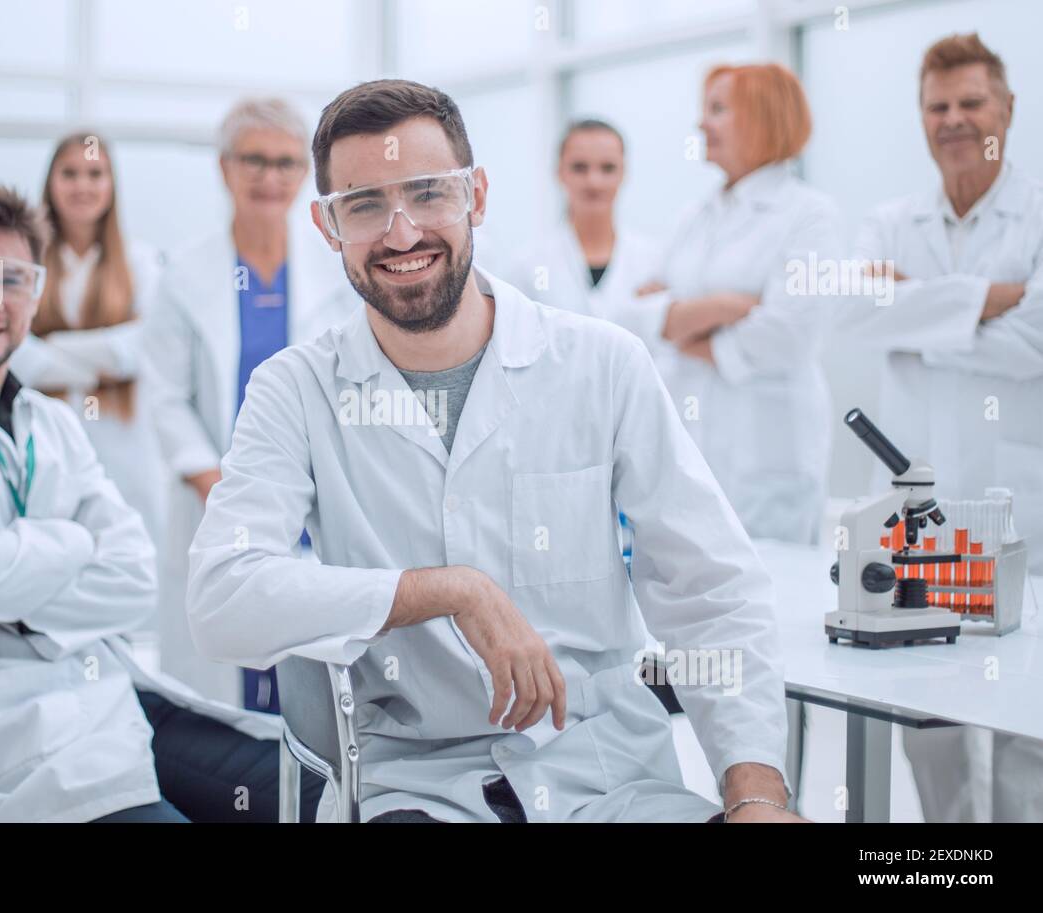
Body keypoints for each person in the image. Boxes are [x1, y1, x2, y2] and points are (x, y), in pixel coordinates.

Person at [187, 79, 801, 823]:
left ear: (477, 194)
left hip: (610, 781)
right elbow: (222, 597)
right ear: (328, 225)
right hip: (420, 789)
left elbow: (711, 590)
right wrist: (449, 589)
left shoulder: (601, 364)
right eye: (365, 204)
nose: (402, 232)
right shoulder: (295, 389)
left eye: (427, 192)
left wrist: (756, 793)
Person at [0, 180, 322, 822]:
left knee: (315, 796)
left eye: (11, 278)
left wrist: (17, 586)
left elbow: (134, 579)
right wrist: (75, 543)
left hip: (111, 699)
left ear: (34, 293)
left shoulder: (49, 421)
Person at [844, 33, 1043, 823]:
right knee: (925, 712)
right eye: (938, 106)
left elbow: (1037, 345)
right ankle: (952, 868)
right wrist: (991, 296)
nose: (954, 119)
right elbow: (854, 312)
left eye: (971, 102)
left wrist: (913, 305)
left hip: (1020, 501)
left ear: (1007, 110)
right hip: (913, 515)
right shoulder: (891, 220)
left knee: (1028, 711)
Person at [145, 98, 355, 711]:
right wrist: (216, 484)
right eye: (254, 160)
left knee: (312, 681)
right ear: (225, 168)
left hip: (317, 498)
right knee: (227, 692)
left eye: (287, 163)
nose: (270, 177)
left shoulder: (335, 267)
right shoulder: (184, 273)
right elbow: (164, 397)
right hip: (216, 500)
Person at [635, 63, 843, 545]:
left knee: (774, 594)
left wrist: (683, 326)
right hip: (694, 442)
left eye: (718, 110)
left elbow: (792, 333)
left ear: (764, 118)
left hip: (768, 453)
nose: (701, 124)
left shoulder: (810, 215)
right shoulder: (696, 216)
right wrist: (731, 305)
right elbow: (638, 315)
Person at [10, 131, 166, 551]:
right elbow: (14, 353)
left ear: (111, 185)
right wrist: (102, 358)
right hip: (41, 438)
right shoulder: (24, 262)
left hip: (123, 442)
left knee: (126, 557)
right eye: (70, 173)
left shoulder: (140, 261)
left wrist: (53, 346)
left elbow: (142, 348)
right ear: (51, 183)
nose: (83, 186)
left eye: (95, 174)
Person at [508, 119, 661, 329]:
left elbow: (667, 350)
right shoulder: (528, 267)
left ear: (624, 173)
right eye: (580, 168)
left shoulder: (654, 263)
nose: (594, 182)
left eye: (607, 168)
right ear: (560, 172)